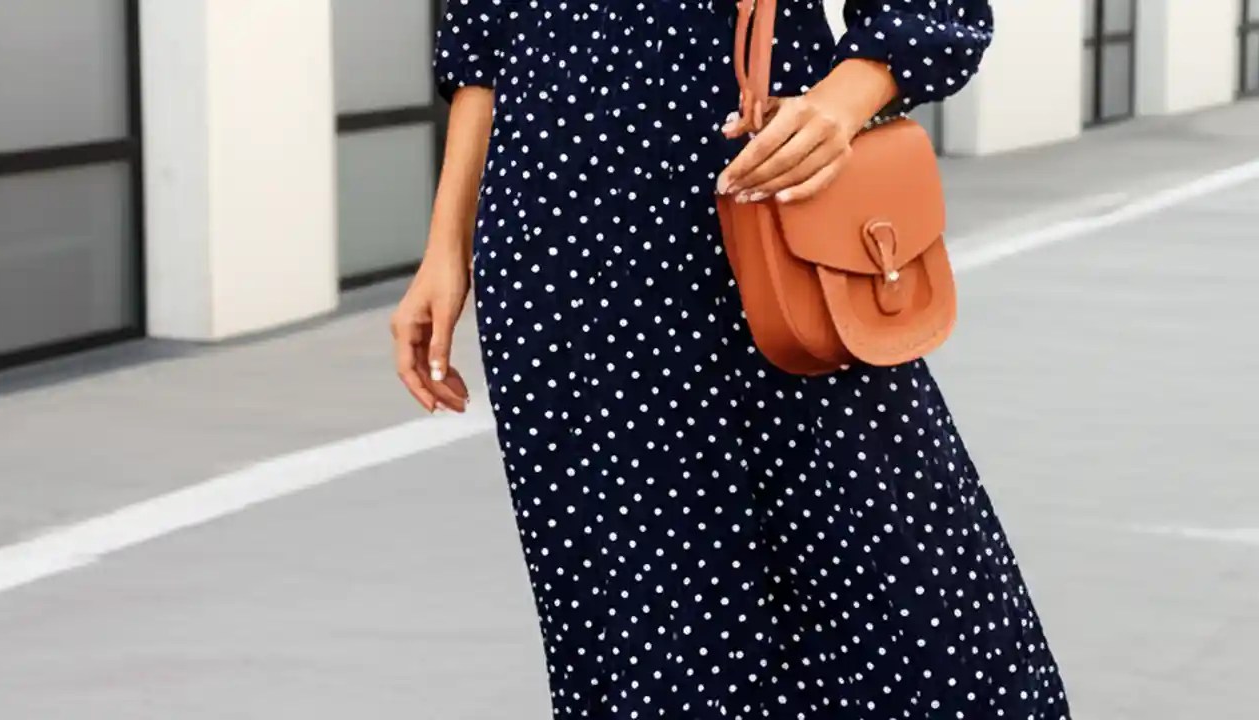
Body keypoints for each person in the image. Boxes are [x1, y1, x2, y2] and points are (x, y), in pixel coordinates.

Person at [391, 1, 1072, 717]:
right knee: (646, 621)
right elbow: (485, 44)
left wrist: (845, 98)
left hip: (757, 208)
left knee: (907, 593)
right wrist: (446, 248)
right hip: (558, 252)